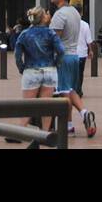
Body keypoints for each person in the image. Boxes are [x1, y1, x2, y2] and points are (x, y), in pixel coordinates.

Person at [8, 7, 65, 141]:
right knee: (47, 105)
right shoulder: (51, 33)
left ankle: (19, 133)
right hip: (49, 70)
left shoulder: (24, 34)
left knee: (28, 104)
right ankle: (45, 134)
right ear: (43, 18)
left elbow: (17, 55)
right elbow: (61, 51)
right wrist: (56, 63)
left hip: (31, 70)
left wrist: (22, 68)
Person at [48, 0, 96, 137]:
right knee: (69, 90)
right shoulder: (75, 12)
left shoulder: (60, 14)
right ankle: (84, 114)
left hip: (63, 58)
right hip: (74, 56)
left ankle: (69, 126)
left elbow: (55, 39)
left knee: (64, 93)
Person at [75, 15, 94, 98]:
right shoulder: (85, 24)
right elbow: (89, 39)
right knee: (80, 72)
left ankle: (75, 89)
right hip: (82, 53)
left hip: (71, 53)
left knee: (73, 72)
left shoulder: (69, 23)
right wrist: (90, 50)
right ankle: (79, 90)